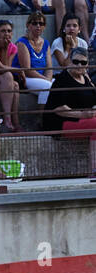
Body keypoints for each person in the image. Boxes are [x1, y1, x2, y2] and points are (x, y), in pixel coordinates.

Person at [41, 45, 96, 176]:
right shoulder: (62, 80)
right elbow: (59, 109)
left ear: (87, 64)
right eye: (75, 61)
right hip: (61, 121)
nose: (79, 65)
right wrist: (83, 114)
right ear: (70, 61)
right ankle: (94, 169)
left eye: (83, 63)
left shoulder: (86, 80)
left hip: (84, 119)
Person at [15, 11, 53, 107]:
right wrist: (46, 80)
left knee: (62, 85)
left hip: (43, 78)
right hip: (26, 79)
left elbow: (49, 67)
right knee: (47, 86)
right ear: (28, 25)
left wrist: (48, 78)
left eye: (41, 23)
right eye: (35, 23)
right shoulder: (22, 43)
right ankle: (42, 117)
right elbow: (27, 70)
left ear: (44, 26)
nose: (38, 26)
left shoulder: (46, 43)